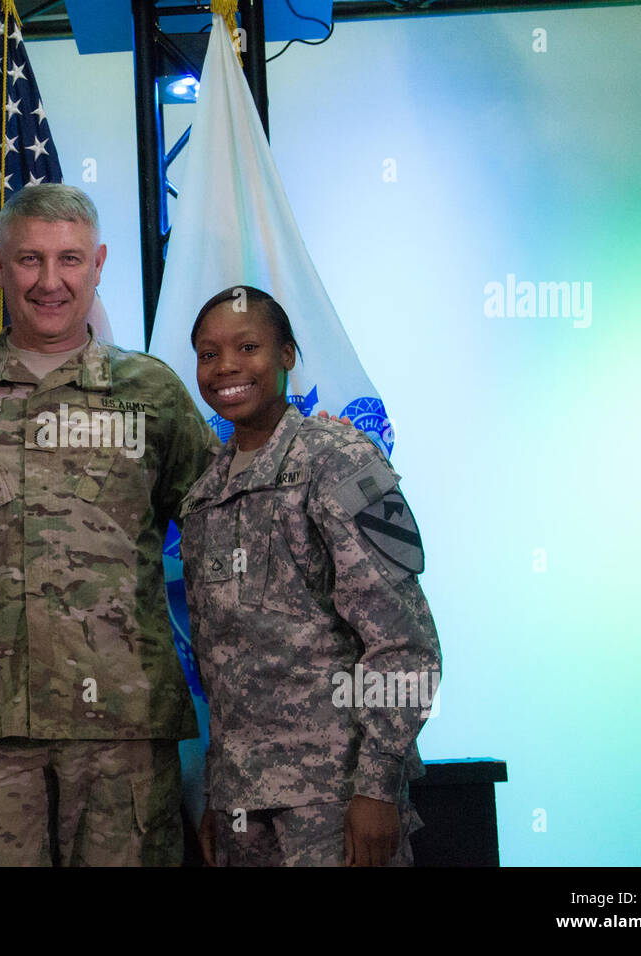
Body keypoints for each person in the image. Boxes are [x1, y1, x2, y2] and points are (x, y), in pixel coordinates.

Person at [0, 184, 219, 866]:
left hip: (125, 729)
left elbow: (229, 519)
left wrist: (300, 443)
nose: (51, 281)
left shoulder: (152, 394)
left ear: (98, 263)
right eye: (30, 260)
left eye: (69, 260)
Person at [179, 285, 441, 867]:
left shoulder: (338, 461)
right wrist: (220, 797)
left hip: (334, 798)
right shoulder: (203, 496)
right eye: (207, 353)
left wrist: (375, 788)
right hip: (243, 809)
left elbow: (405, 645)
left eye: (248, 347)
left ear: (288, 356)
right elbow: (224, 670)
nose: (226, 368)